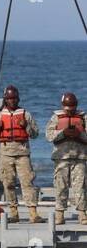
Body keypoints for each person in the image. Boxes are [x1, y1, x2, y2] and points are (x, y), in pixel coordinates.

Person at [0, 84, 41, 223]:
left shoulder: (25, 114)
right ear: (5, 99)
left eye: (14, 98)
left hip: (22, 152)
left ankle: (33, 213)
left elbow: (35, 133)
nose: (12, 101)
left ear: (18, 99)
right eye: (9, 98)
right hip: (6, 152)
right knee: (8, 183)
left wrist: (25, 126)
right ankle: (13, 213)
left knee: (27, 182)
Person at [46, 92, 87, 225]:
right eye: (67, 108)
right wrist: (63, 133)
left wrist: (79, 135)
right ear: (63, 106)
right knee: (60, 186)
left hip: (79, 157)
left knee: (80, 186)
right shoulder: (56, 118)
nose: (70, 110)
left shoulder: (84, 118)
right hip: (61, 158)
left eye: (72, 107)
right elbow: (49, 135)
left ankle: (82, 214)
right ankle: (59, 214)